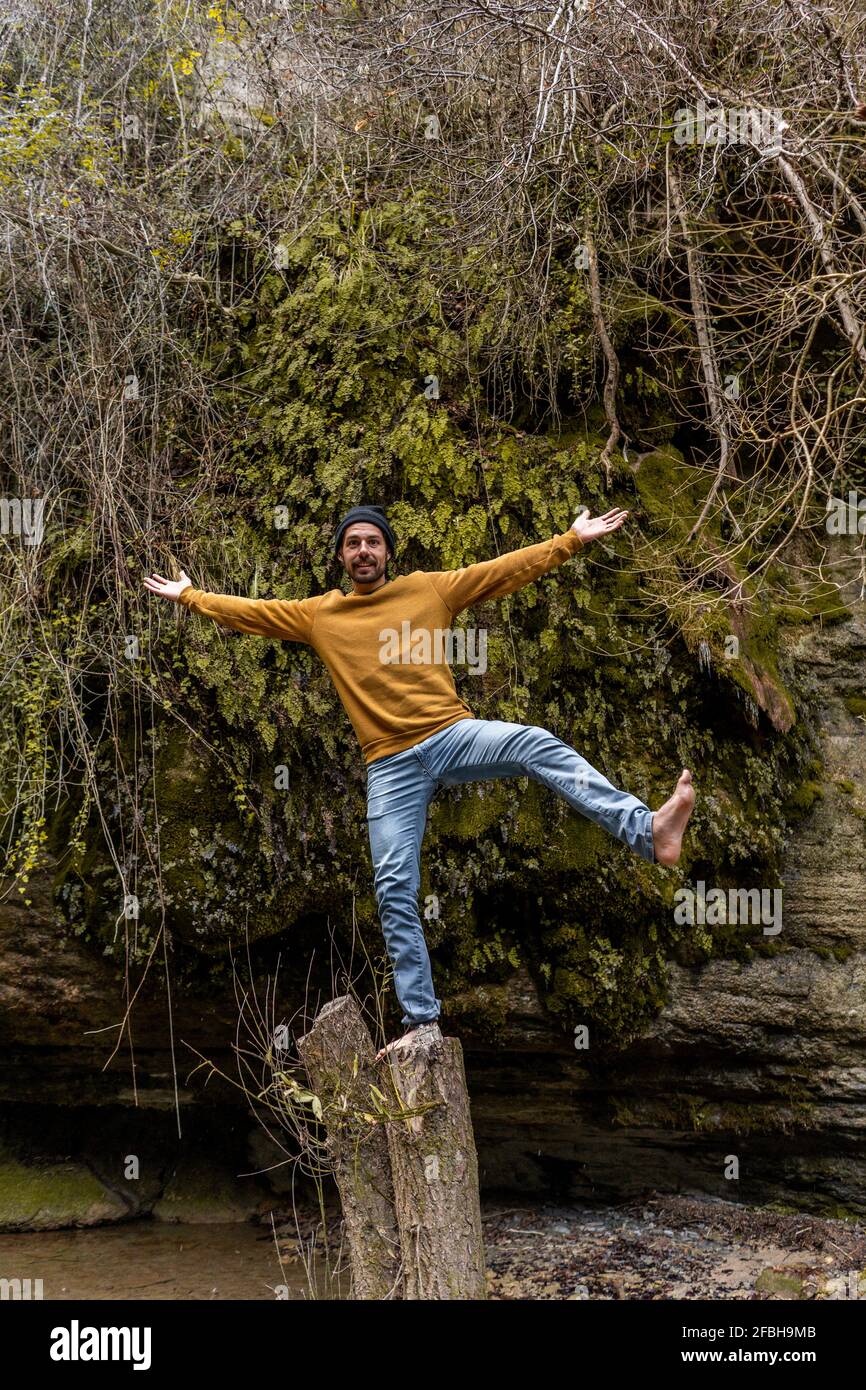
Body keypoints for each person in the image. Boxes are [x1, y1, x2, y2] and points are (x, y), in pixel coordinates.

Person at [144, 505, 694, 1059]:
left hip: (449, 735)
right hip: (388, 767)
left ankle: (647, 831)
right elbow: (254, 613)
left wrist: (570, 540)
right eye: (353, 543)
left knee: (534, 744)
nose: (363, 551)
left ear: (387, 552)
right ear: (341, 555)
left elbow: (502, 571)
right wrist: (192, 596)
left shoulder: (428, 590)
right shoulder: (321, 616)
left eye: (372, 543)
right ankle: (422, 1023)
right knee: (393, 886)